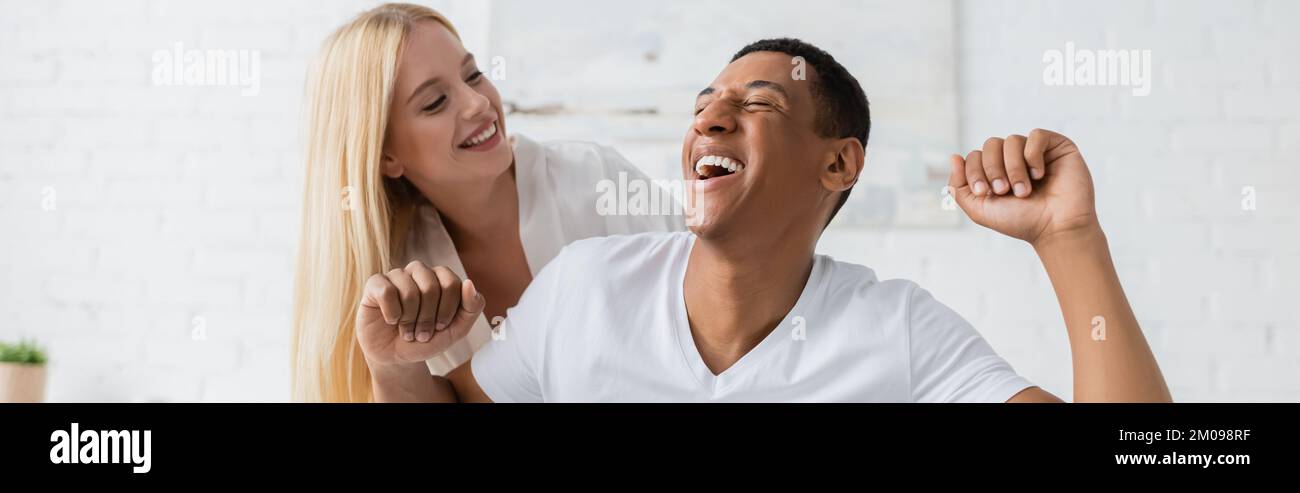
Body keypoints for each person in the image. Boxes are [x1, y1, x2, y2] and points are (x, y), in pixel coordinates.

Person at [359, 37, 1172, 403]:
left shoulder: (898, 332)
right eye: (704, 103)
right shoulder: (582, 289)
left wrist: (1070, 240)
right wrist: (395, 372)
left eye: (759, 104)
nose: (710, 119)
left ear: (839, 165)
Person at [290, 3, 681, 402]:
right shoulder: (397, 285)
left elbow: (712, 289)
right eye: (435, 102)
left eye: (473, 75)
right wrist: (391, 367)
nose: (478, 103)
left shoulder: (596, 180)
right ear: (386, 156)